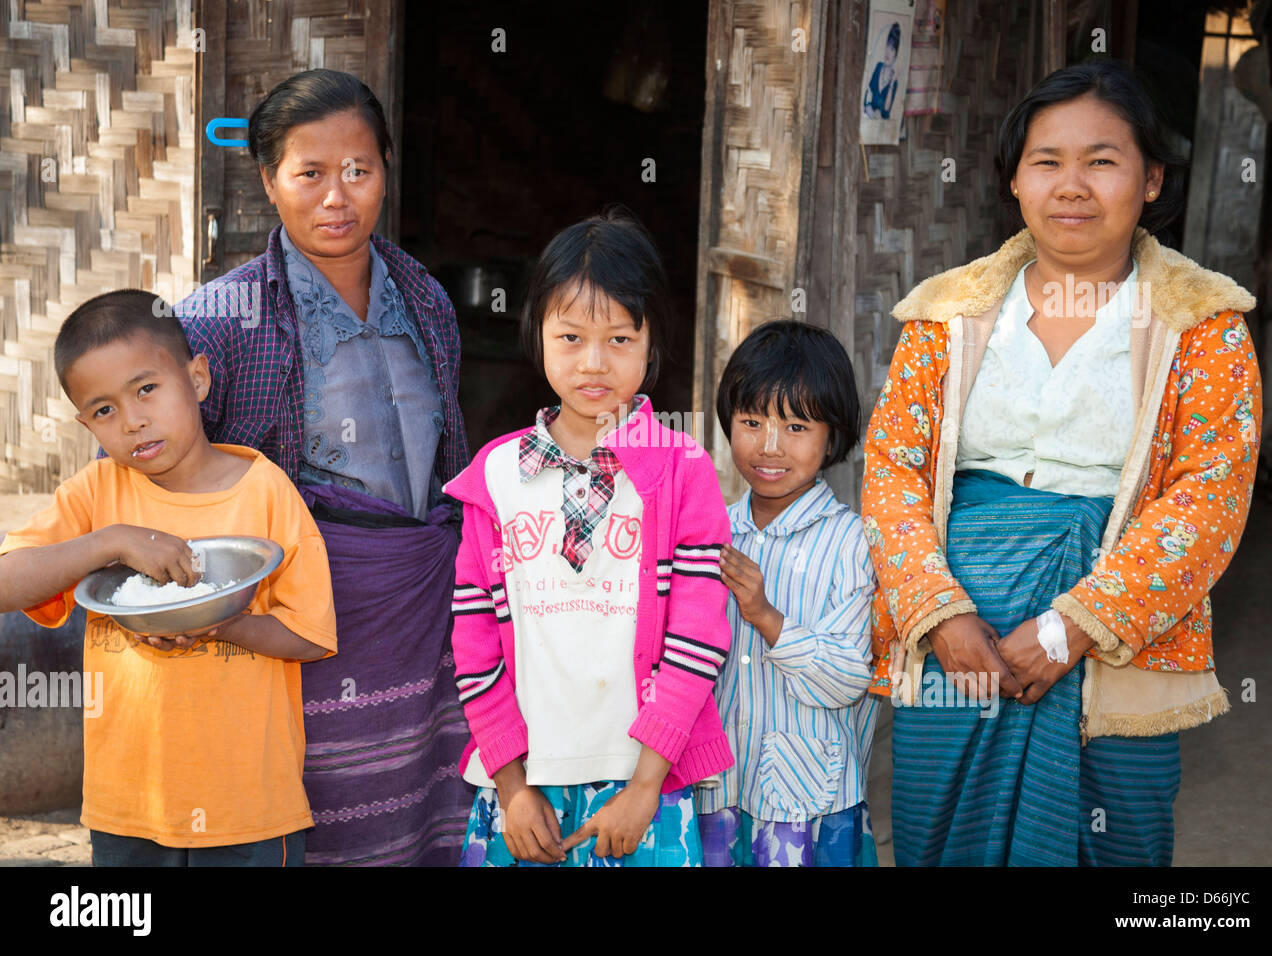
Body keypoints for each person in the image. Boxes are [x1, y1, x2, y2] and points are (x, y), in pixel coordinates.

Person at [862, 60, 1262, 866]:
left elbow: (1208, 499)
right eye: (1047, 162)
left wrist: (1075, 624)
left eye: (1102, 161)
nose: (1071, 185)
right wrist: (936, 613)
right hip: (957, 642)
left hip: (1118, 647)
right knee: (942, 838)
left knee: (1112, 838)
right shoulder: (948, 314)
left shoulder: (1204, 325)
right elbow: (893, 469)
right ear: (1015, 180)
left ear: (1151, 179)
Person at [171, 69, 472, 865]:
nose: (337, 197)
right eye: (309, 174)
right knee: (306, 812)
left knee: (418, 810)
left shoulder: (428, 301)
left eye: (358, 171)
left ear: (384, 171)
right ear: (269, 181)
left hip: (416, 612)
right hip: (298, 622)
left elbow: (452, 460)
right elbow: (157, 470)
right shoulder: (218, 321)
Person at [0, 290, 337, 866]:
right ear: (86, 424)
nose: (132, 421)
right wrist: (108, 541)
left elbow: (311, 634)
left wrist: (223, 626)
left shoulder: (265, 492)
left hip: (246, 807)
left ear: (198, 378)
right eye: (104, 410)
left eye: (146, 389)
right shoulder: (96, 494)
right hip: (128, 807)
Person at [450, 207, 734, 866]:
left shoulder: (681, 471)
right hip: (524, 790)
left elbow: (698, 636)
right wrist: (512, 785)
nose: (594, 363)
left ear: (652, 342)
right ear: (537, 335)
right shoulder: (493, 477)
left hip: (645, 783)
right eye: (571, 337)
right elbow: (473, 644)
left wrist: (643, 787)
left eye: (620, 340)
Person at [696, 320, 879, 867]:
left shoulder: (852, 542)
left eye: (797, 426)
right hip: (718, 790)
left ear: (834, 436)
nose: (769, 446)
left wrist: (767, 617)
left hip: (807, 802)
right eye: (751, 421)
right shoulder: (711, 532)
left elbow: (849, 679)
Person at [864, 22, 901, 119]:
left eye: (892, 49)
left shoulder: (894, 82)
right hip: (869, 120)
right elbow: (868, 93)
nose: (888, 52)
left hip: (882, 128)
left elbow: (886, 110)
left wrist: (892, 84)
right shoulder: (878, 67)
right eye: (887, 46)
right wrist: (870, 110)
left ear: (896, 55)